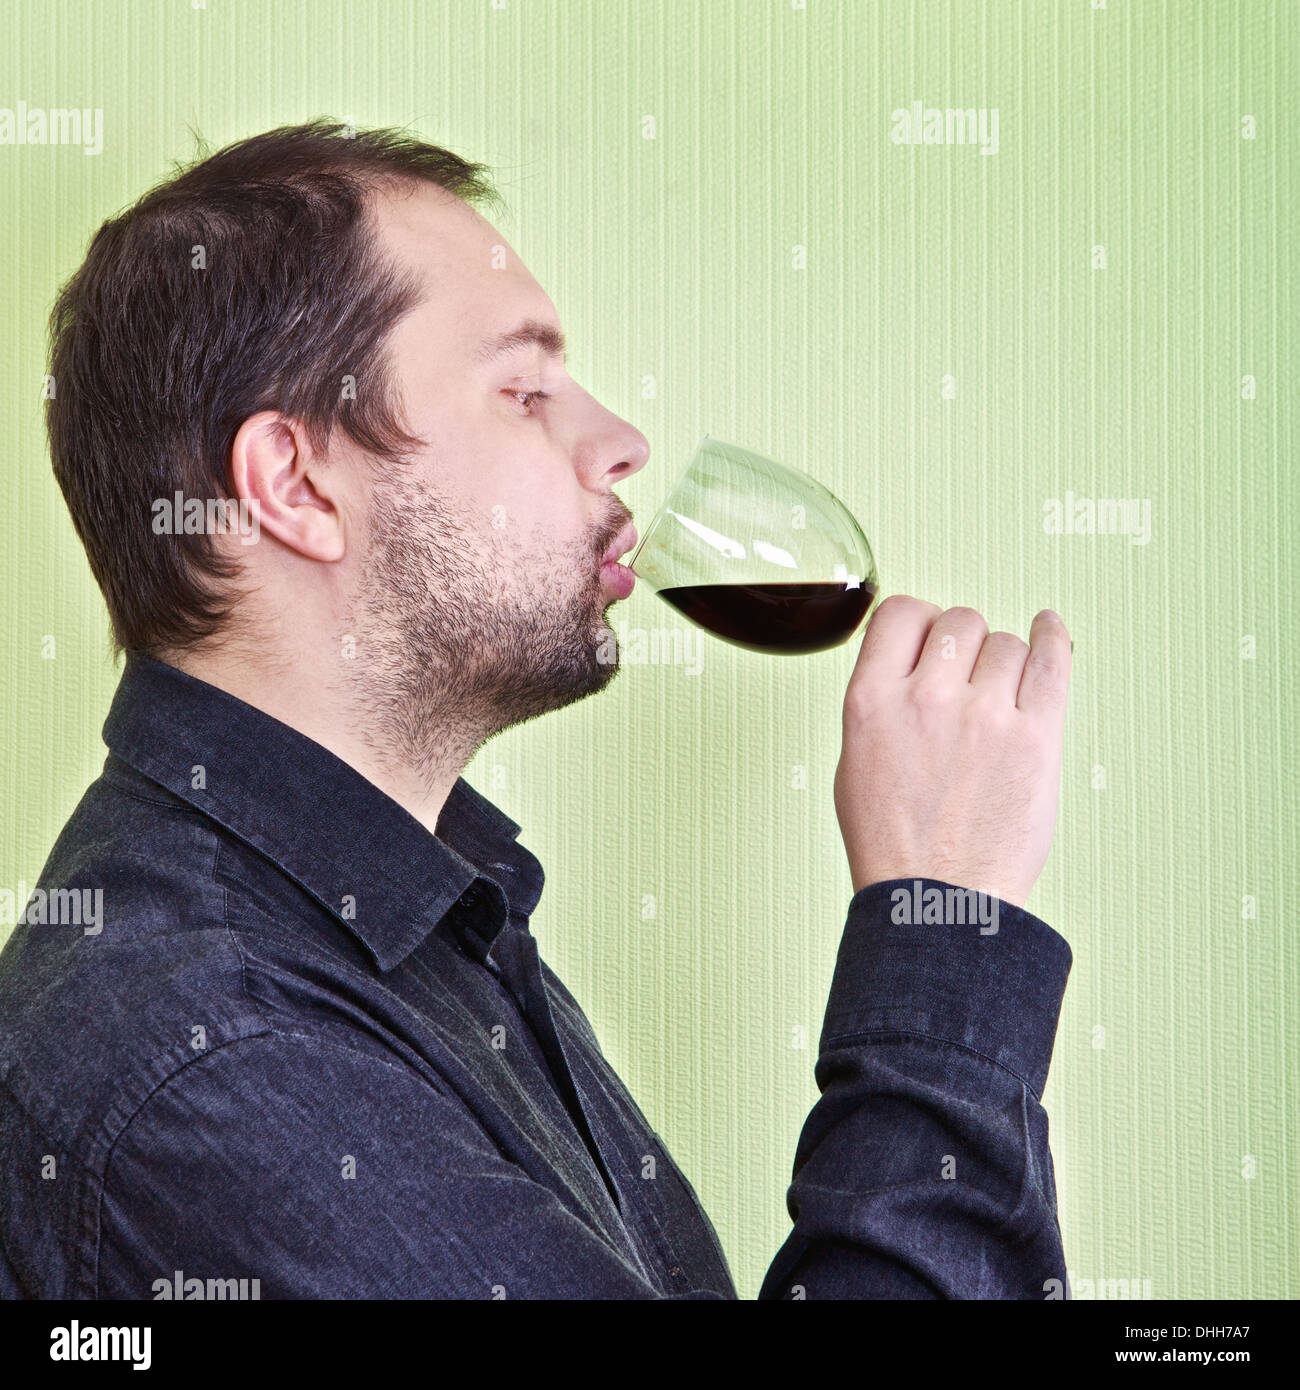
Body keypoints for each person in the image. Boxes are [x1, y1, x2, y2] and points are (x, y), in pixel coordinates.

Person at [0, 121, 1073, 1299]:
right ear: (297, 485)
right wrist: (940, 921)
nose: (619, 443)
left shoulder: (419, 914)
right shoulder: (222, 1046)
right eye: (524, 390)